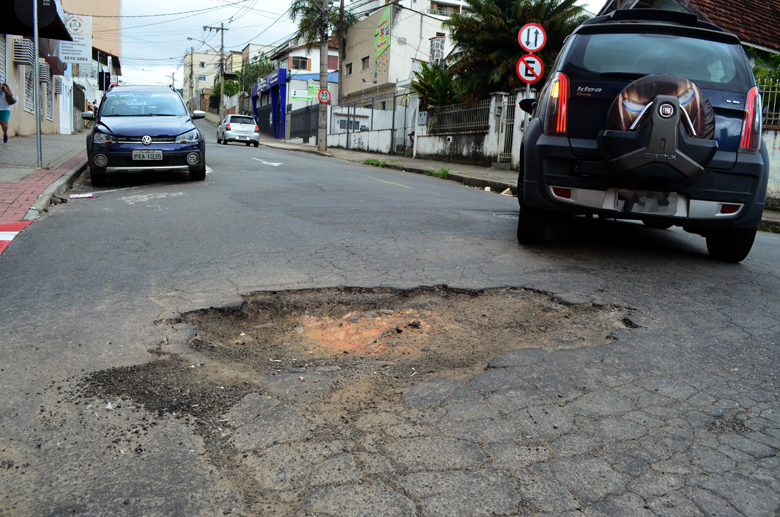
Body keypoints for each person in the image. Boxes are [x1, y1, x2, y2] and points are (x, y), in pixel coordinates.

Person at [0, 75, 15, 144]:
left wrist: (5, 90)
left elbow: (10, 95)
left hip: (4, 109)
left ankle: (5, 134)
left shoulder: (4, 85)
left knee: (4, 125)